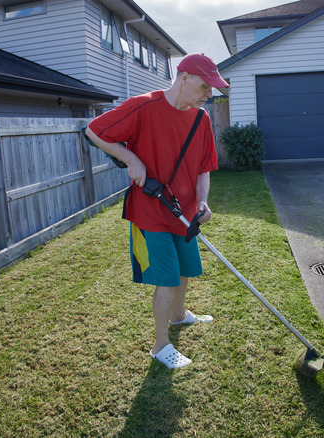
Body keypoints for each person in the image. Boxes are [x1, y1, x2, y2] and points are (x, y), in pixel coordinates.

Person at [84, 54, 229, 369]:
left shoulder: (201, 119)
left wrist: (203, 203)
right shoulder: (143, 106)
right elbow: (94, 131)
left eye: (212, 88)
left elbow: (204, 168)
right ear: (184, 77)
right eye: (205, 86)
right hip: (151, 211)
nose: (209, 94)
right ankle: (160, 346)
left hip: (185, 212)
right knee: (166, 277)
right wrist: (130, 159)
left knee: (183, 269)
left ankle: (178, 316)